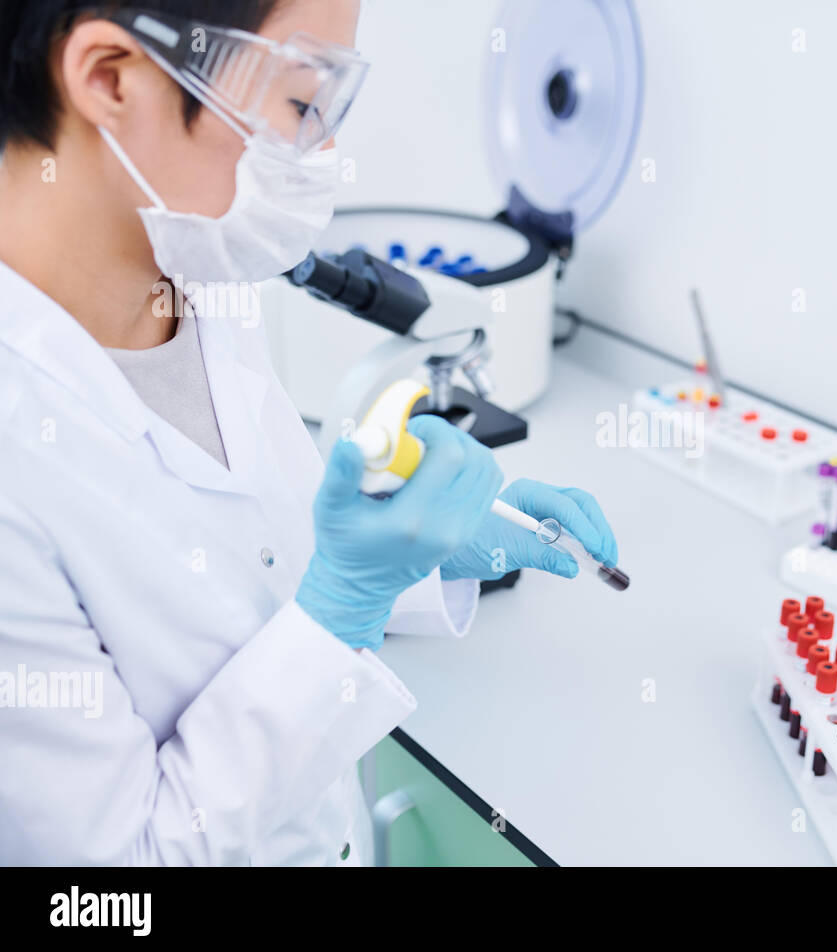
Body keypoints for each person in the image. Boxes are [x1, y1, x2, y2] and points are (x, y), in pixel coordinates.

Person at [0, 0, 618, 865]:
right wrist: (343, 606)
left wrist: (412, 557)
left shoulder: (196, 274)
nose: (320, 155)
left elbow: (251, 572)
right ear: (110, 79)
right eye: (301, 103)